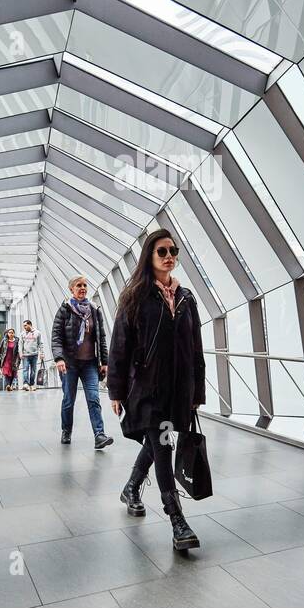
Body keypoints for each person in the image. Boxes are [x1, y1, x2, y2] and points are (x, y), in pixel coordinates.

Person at [107, 228, 205, 551]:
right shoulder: (135, 296)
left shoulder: (186, 298)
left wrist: (197, 393)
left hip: (177, 390)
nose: (169, 257)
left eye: (173, 251)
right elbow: (119, 346)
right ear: (149, 256)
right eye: (162, 251)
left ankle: (132, 487)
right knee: (163, 446)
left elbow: (196, 351)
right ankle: (177, 520)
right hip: (147, 389)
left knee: (157, 442)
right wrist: (115, 390)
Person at [51, 275, 113, 449]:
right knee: (69, 400)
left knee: (94, 398)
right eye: (79, 285)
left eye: (85, 285)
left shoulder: (94, 310)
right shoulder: (65, 309)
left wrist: (104, 361)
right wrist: (59, 358)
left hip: (90, 364)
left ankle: (99, 435)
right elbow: (56, 336)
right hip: (69, 364)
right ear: (71, 289)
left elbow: (101, 337)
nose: (83, 288)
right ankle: (66, 430)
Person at [19, 321, 42, 390]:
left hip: (34, 354)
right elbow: (20, 344)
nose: (24, 327)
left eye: (25, 325)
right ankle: (26, 384)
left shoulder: (37, 333)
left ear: (30, 325)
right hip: (25, 355)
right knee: (25, 370)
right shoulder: (22, 334)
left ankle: (32, 384)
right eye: (24, 326)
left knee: (33, 370)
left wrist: (42, 353)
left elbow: (40, 343)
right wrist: (20, 353)